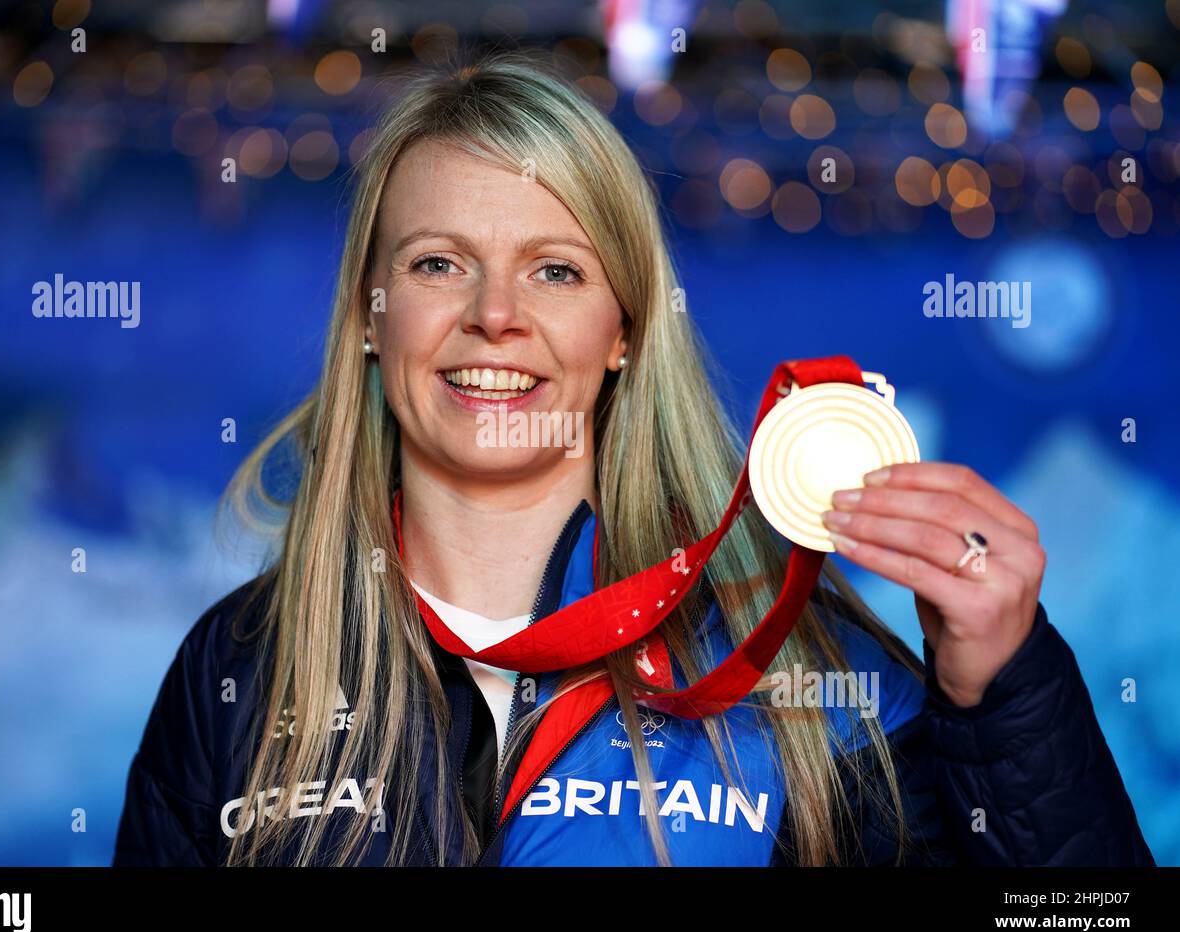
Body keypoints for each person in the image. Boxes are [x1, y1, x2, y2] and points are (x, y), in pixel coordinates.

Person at [113, 53, 1154, 867]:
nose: (492, 316)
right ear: (370, 315)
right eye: (438, 263)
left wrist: (1008, 698)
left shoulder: (801, 668)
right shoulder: (243, 664)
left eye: (555, 270)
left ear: (622, 329)